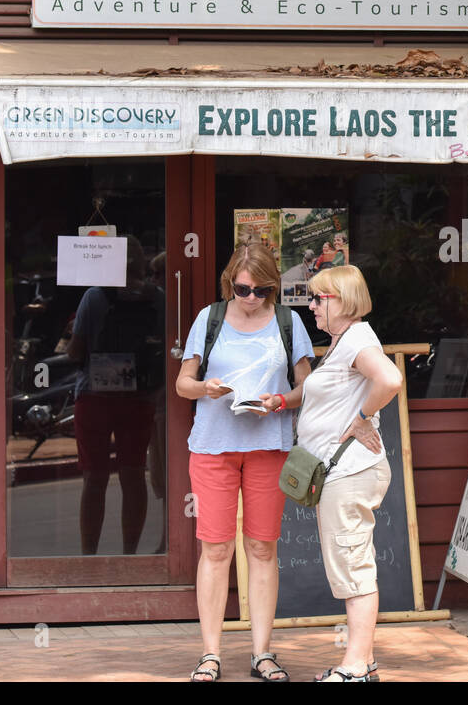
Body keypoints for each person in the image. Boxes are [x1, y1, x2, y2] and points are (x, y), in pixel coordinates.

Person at [175, 243, 314, 682]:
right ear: (229, 282)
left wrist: (277, 402)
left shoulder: (289, 321)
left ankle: (262, 653)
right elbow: (182, 384)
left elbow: (306, 389)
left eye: (262, 291)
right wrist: (207, 389)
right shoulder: (209, 318)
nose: (252, 298)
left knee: (261, 547)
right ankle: (211, 654)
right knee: (215, 548)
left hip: (268, 446)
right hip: (214, 446)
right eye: (243, 289)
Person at [263, 265, 401, 681]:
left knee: (353, 566)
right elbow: (324, 392)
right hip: (341, 473)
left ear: (344, 300)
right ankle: (364, 660)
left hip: (349, 472)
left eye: (319, 298)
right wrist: (284, 401)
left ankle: (355, 667)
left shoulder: (357, 339)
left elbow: (390, 378)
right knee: (351, 562)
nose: (311, 306)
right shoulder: (343, 341)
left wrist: (363, 417)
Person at [67, 237, 163, 556]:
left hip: (95, 395)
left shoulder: (94, 297)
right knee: (133, 475)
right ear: (141, 263)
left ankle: (88, 556)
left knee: (93, 478)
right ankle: (129, 555)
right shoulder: (157, 298)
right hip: (139, 397)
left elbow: (76, 351)